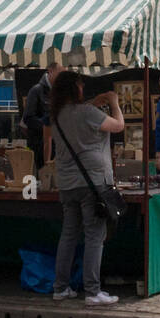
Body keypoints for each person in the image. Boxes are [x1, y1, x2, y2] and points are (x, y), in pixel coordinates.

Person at [49, 71, 125, 305]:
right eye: (81, 85)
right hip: (92, 182)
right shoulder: (87, 113)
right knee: (94, 235)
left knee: (69, 234)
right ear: (75, 88)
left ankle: (60, 288)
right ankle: (93, 291)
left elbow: (80, 116)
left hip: (67, 183)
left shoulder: (57, 115)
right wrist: (113, 102)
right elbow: (119, 125)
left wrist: (94, 102)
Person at [22, 63, 61, 166]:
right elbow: (28, 118)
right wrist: (47, 127)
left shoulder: (59, 92)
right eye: (60, 73)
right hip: (39, 144)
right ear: (50, 71)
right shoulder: (36, 90)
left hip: (56, 144)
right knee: (43, 176)